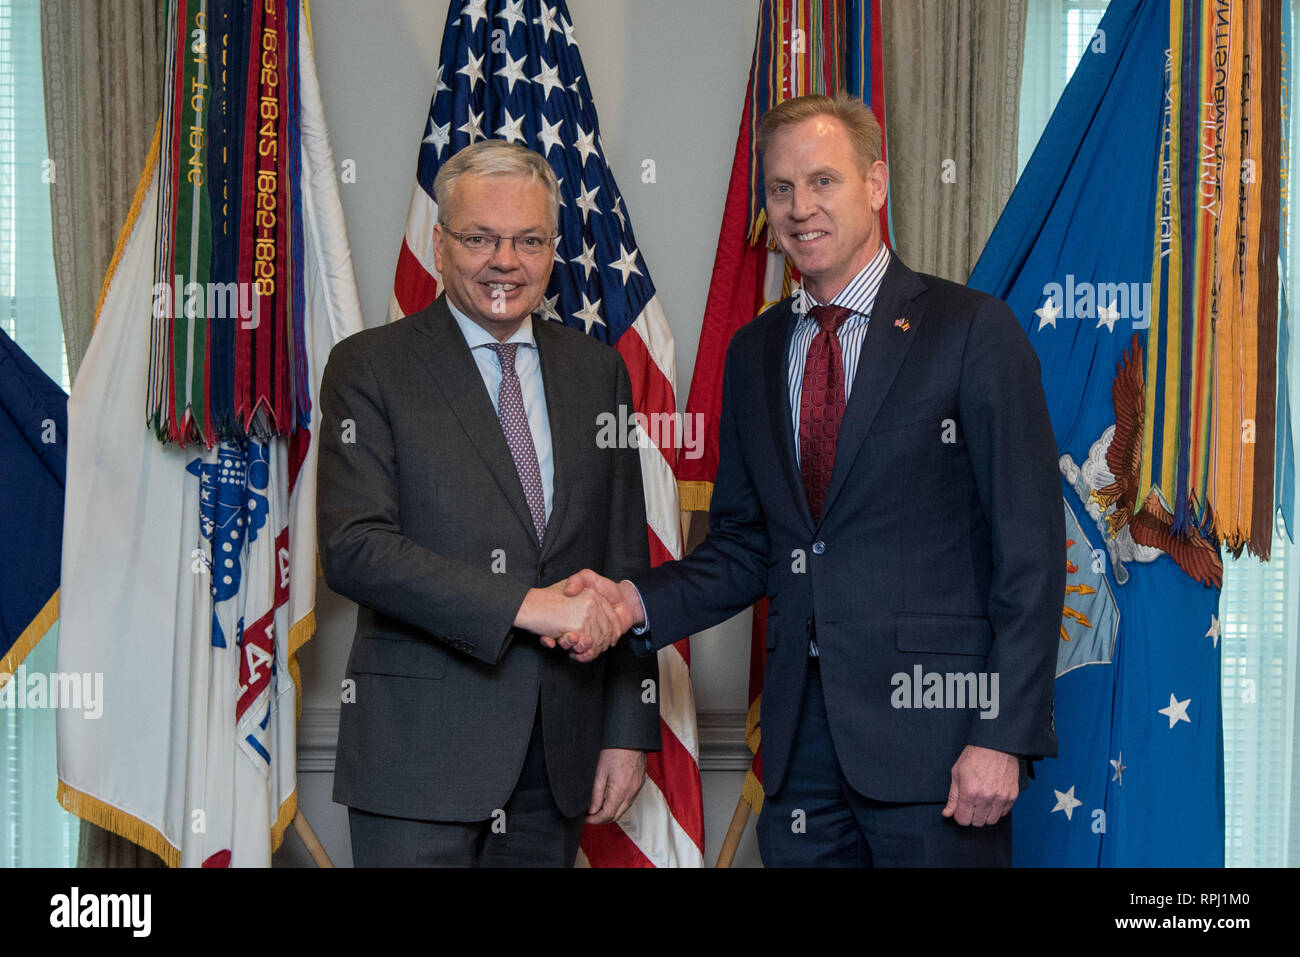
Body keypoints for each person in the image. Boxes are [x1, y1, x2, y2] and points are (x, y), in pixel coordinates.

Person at [565, 93, 1064, 867]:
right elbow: (744, 545)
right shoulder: (754, 352)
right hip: (800, 750)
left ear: (876, 184)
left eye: (823, 181)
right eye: (782, 189)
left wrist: (1002, 732)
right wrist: (633, 602)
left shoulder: (971, 332)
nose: (801, 208)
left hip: (939, 746)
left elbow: (1031, 552)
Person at [317, 139, 659, 867]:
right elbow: (356, 548)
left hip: (557, 760)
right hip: (415, 758)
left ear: (552, 250)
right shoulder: (369, 367)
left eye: (529, 240)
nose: (505, 260)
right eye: (480, 238)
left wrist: (629, 728)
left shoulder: (598, 373)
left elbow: (625, 558)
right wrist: (530, 606)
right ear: (439, 246)